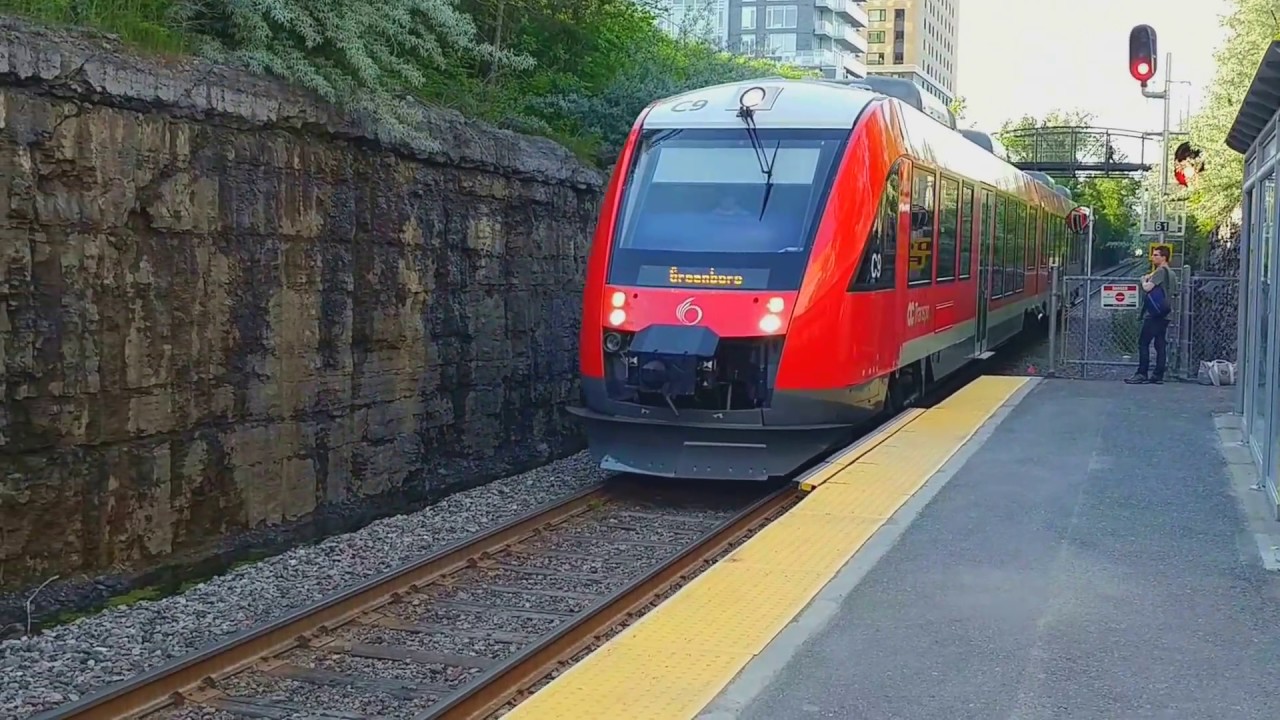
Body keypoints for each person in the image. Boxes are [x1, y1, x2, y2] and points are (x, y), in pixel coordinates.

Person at [1126, 246, 1176, 384]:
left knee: (1143, 342)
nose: (1152, 257)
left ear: (1163, 257)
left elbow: (1148, 288)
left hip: (1154, 314)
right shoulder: (1171, 273)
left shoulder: (1160, 271)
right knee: (1160, 344)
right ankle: (1158, 375)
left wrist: (1144, 280)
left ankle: (1142, 373)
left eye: (1156, 255)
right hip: (1165, 313)